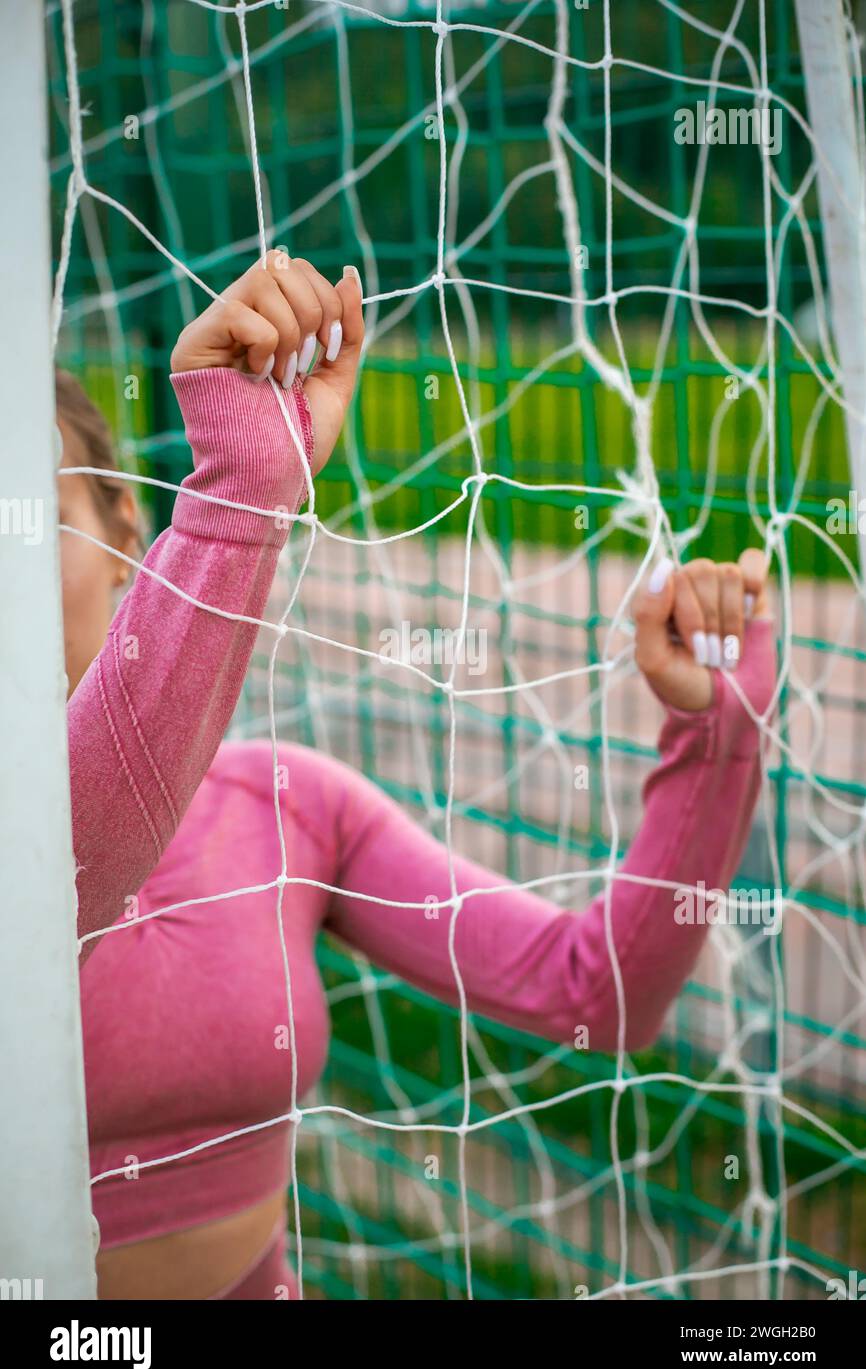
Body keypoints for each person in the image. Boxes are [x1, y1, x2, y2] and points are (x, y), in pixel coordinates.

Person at [58, 251, 776, 1299]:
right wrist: (242, 495)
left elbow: (599, 992)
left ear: (129, 534)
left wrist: (715, 732)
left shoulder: (286, 808)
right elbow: (75, 856)